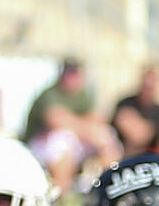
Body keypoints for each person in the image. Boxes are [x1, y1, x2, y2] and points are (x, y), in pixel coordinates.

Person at [22, 58, 109, 197]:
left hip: (74, 138)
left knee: (106, 138)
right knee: (62, 145)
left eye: (76, 73)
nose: (72, 78)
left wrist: (80, 126)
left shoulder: (82, 94)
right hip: (37, 145)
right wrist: (84, 126)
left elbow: (97, 119)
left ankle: (105, 189)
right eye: (69, 73)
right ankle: (61, 196)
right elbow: (56, 121)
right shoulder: (50, 94)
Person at [110, 64, 159, 157]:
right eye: (147, 79)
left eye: (153, 80)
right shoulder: (126, 104)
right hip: (121, 156)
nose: (149, 84)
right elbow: (134, 135)